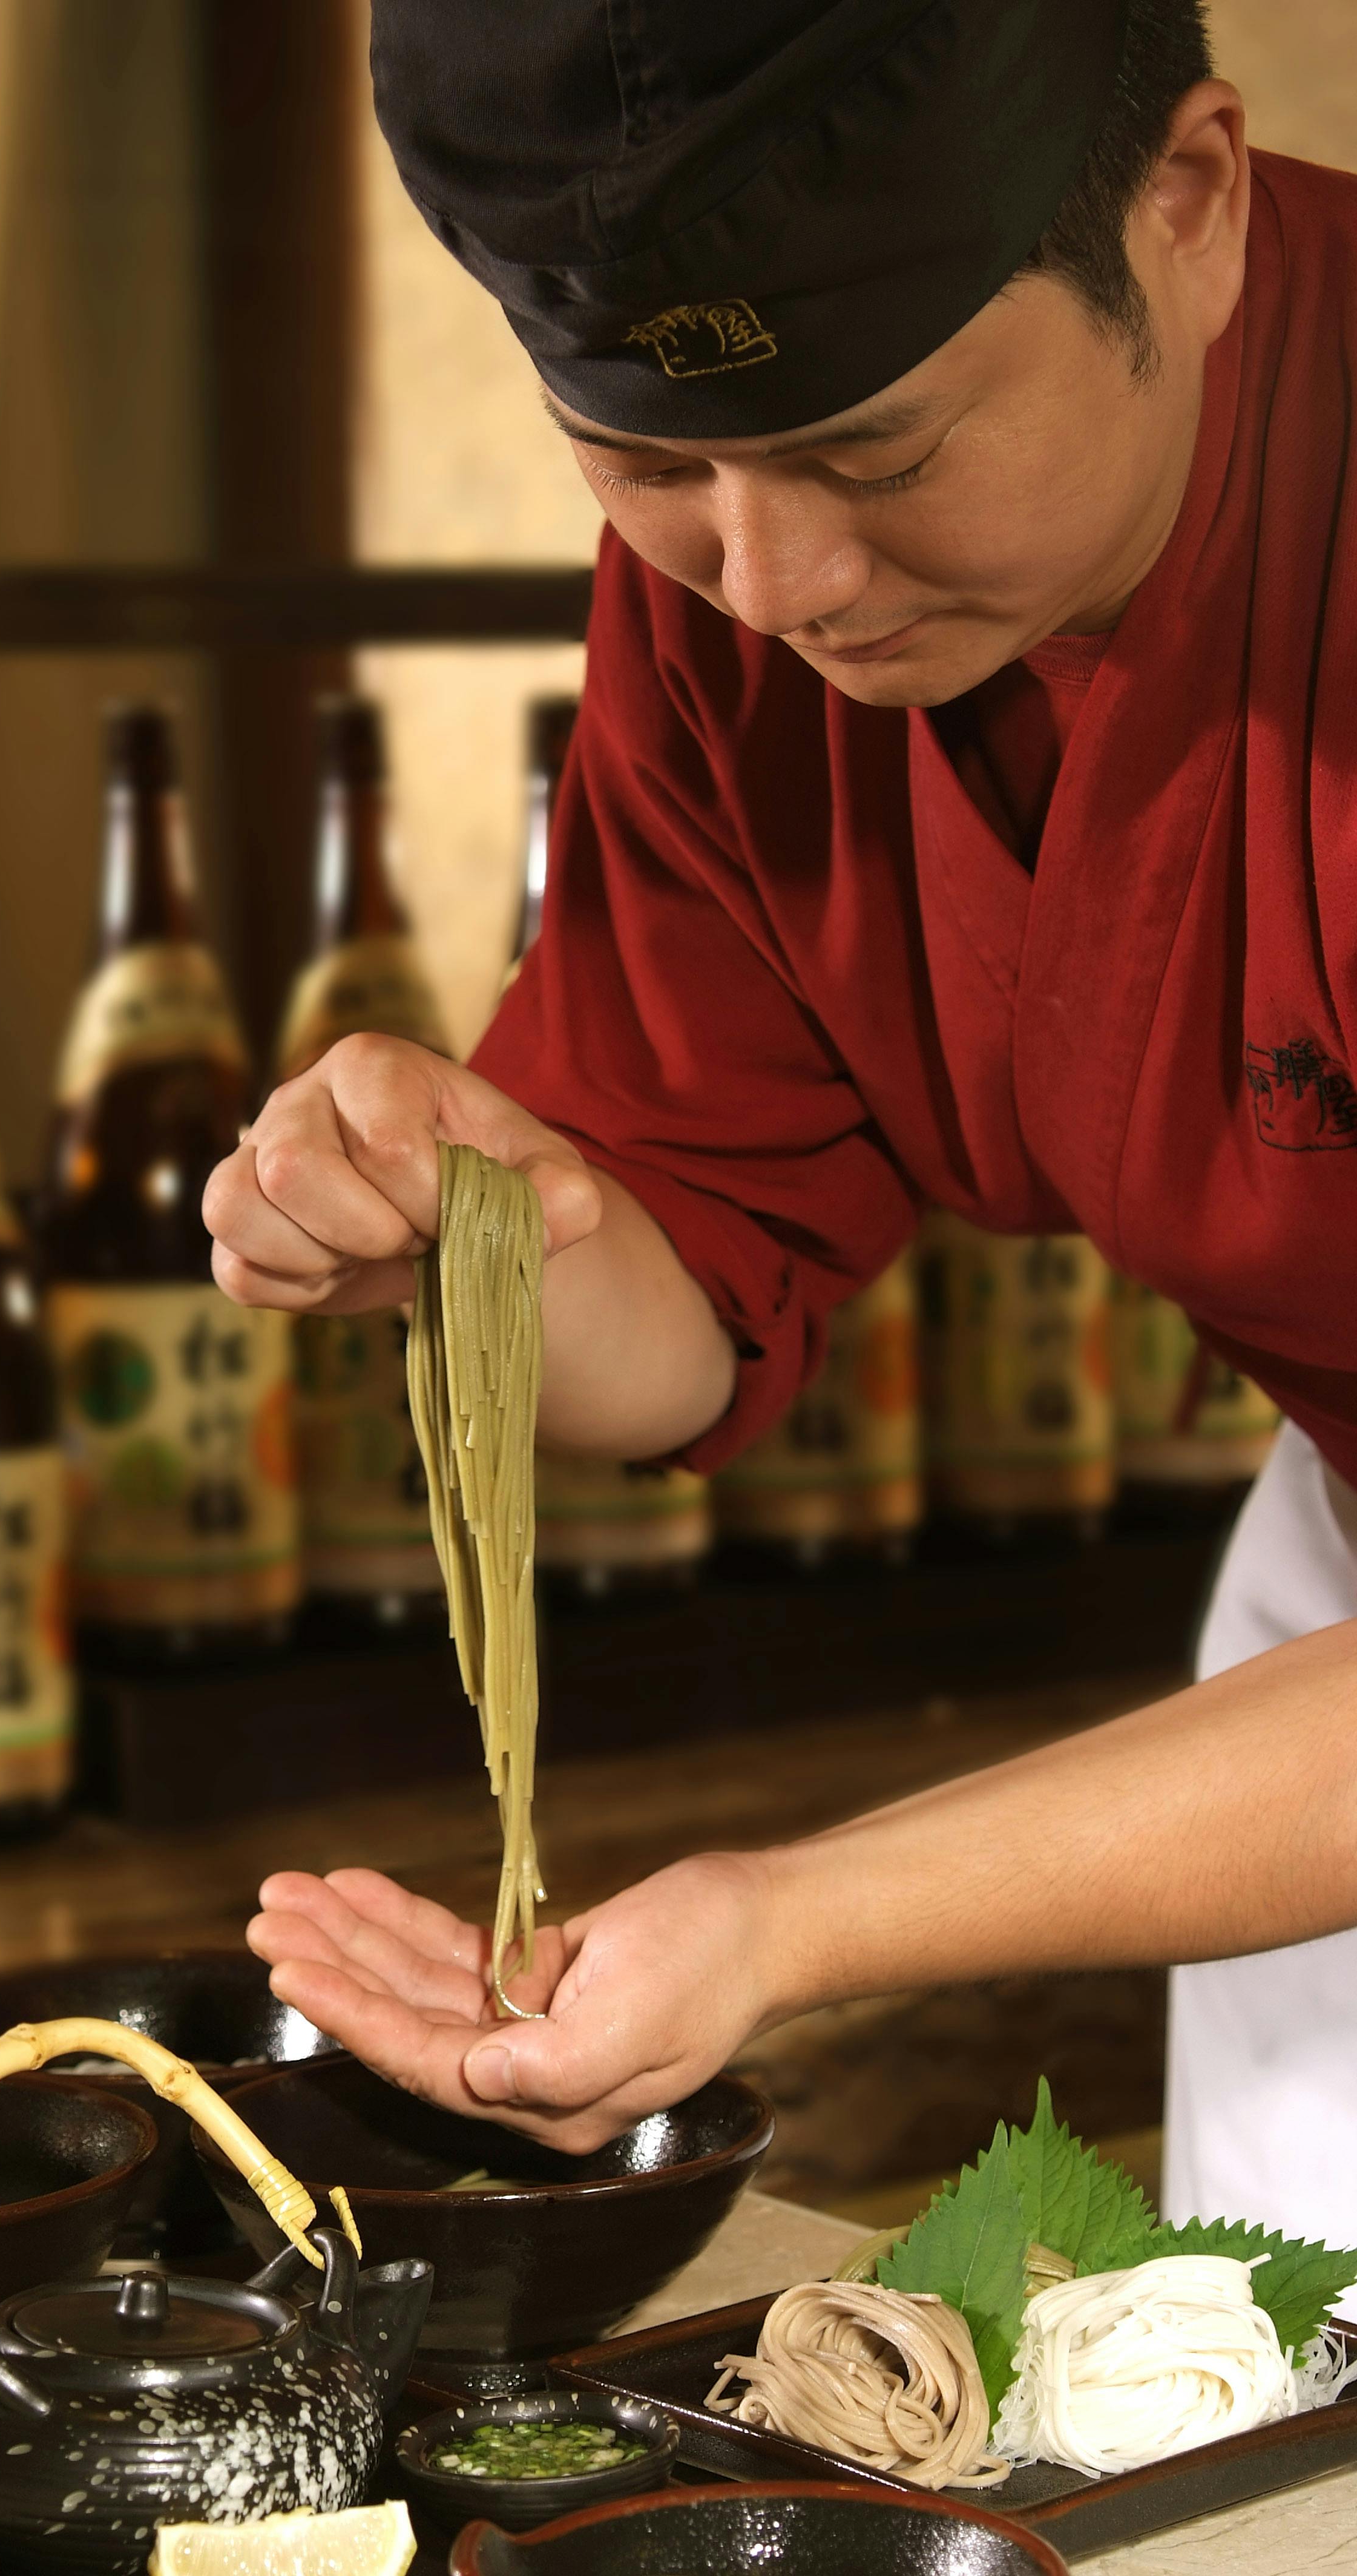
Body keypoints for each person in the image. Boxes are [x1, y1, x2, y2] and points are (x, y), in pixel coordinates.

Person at [210, 0, 1357, 2253]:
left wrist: (791, 1917)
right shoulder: (757, 582)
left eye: (884, 449)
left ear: (1192, 207)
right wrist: (501, 1236)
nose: (776, 581)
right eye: (639, 461)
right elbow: (699, 1294)